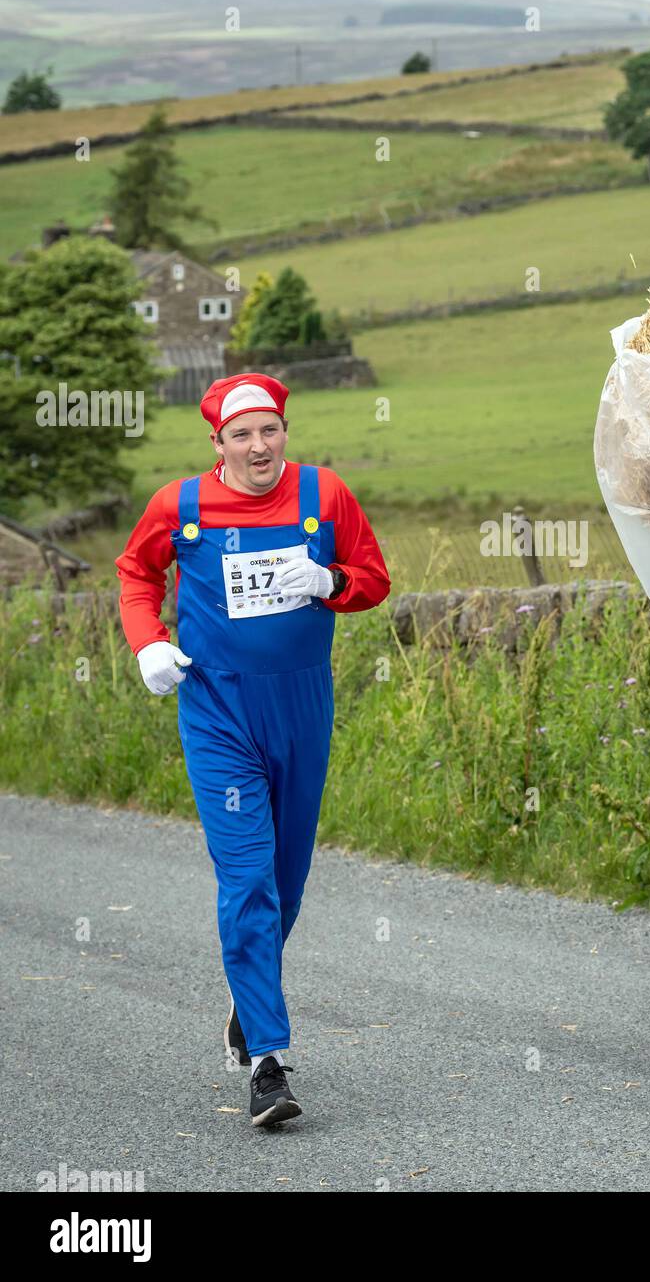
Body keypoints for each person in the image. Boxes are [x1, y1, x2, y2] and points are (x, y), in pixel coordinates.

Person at [115, 374, 390, 1125]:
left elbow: (374, 580)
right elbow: (136, 574)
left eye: (269, 430)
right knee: (247, 878)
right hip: (219, 709)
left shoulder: (324, 494)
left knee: (287, 879)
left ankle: (249, 993)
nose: (258, 445)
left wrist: (329, 578)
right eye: (243, 435)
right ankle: (268, 1063)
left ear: (283, 432)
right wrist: (149, 644)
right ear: (219, 445)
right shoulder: (181, 507)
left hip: (302, 705)